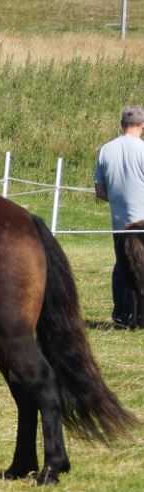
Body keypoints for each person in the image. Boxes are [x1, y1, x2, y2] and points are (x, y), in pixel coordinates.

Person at [93, 105, 144, 329]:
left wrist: (118, 203)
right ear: (142, 125)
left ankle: (123, 316)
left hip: (120, 223)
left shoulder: (106, 150)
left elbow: (100, 191)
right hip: (142, 222)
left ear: (122, 125)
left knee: (123, 268)